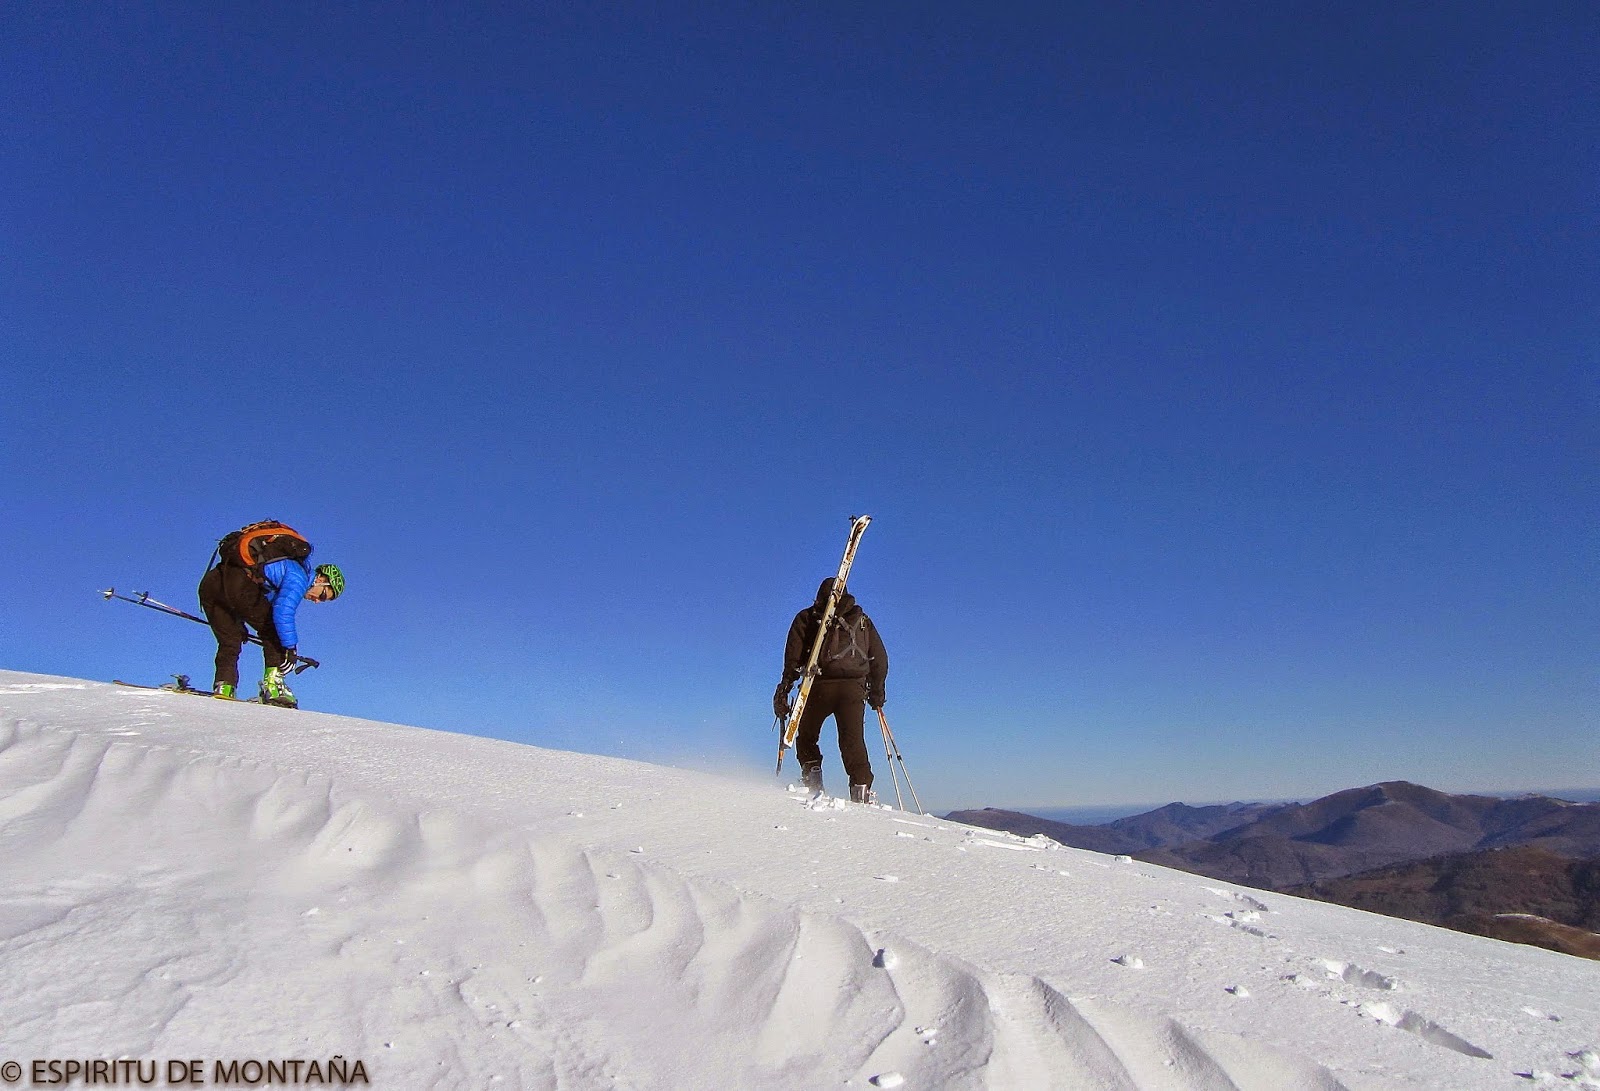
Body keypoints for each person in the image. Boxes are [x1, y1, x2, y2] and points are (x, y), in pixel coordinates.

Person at [774, 576, 888, 803]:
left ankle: (812, 777)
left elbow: (793, 655)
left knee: (806, 735)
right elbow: (880, 659)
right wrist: (877, 693)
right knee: (852, 740)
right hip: (854, 689)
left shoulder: (807, 618)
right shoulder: (862, 620)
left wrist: (785, 686)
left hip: (818, 685)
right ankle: (861, 789)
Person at [198, 540, 344, 707]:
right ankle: (274, 687)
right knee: (275, 632)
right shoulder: (299, 576)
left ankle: (224, 686)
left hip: (212, 584)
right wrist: (290, 647)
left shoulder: (284, 572)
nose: (318, 601)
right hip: (238, 583)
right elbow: (282, 612)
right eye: (323, 595)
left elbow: (256, 605)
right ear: (320, 579)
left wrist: (240, 624)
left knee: (231, 640)